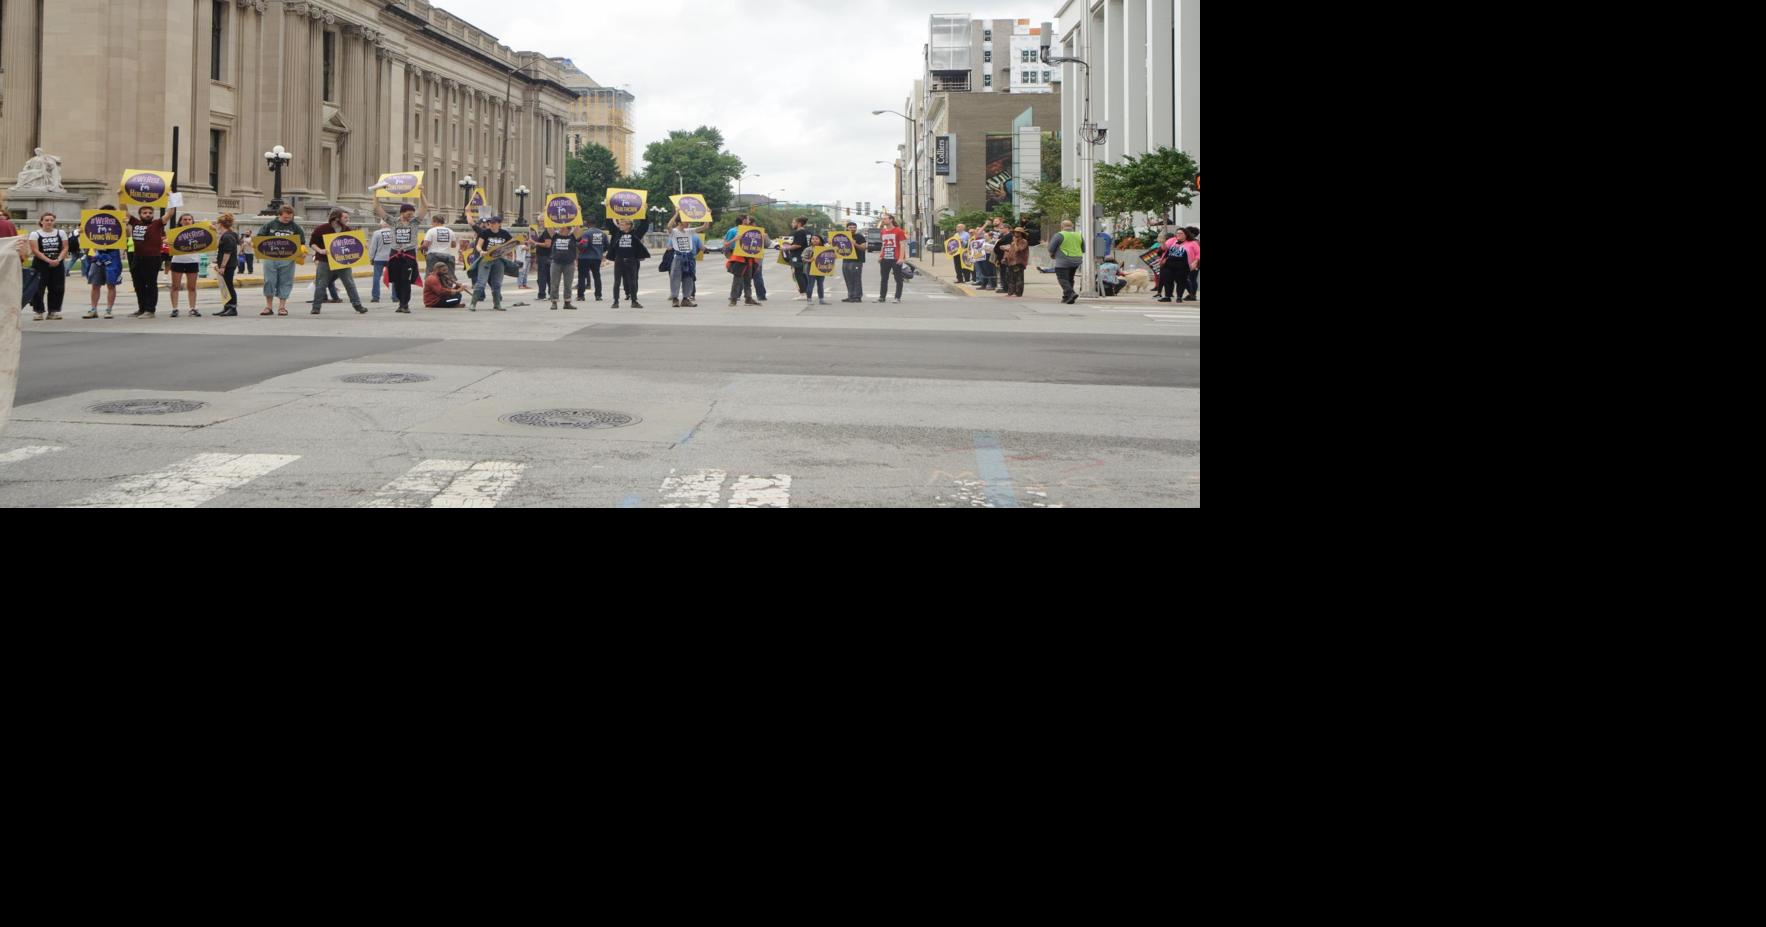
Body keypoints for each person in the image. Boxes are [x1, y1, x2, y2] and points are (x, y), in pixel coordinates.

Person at [371, 191, 428, 314]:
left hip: (409, 254)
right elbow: (377, 208)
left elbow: (425, 207)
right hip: (395, 254)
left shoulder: (415, 222)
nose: (410, 216)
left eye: (412, 214)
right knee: (396, 280)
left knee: (406, 280)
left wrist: (421, 192)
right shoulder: (393, 221)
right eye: (408, 214)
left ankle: (405, 304)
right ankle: (400, 303)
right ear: (402, 213)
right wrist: (376, 193)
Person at [308, 207, 367, 315]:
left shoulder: (347, 229)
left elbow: (353, 243)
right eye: (345, 217)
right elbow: (312, 243)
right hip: (325, 261)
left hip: (342, 262)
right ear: (336, 218)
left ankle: (358, 305)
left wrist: (363, 245)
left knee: (349, 283)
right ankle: (316, 307)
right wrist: (320, 250)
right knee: (321, 284)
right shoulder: (321, 228)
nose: (347, 219)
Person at [126, 203, 174, 317]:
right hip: (137, 258)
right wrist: (121, 197)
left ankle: (150, 310)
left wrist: (172, 198)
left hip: (152, 258)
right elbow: (124, 212)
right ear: (140, 214)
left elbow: (170, 213)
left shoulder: (157, 223)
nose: (147, 215)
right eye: (145, 213)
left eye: (150, 213)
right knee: (138, 285)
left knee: (151, 284)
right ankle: (141, 308)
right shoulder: (135, 222)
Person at [79, 205, 125, 319]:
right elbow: (86, 238)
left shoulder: (119, 225)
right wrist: (82, 232)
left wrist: (125, 223)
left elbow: (127, 234)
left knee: (111, 284)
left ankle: (109, 310)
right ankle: (93, 309)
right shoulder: (94, 224)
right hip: (98, 256)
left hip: (112, 257)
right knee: (95, 284)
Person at [255, 205, 302, 316]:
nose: (288, 219)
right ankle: (268, 307)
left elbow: (302, 242)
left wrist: (301, 253)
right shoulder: (270, 225)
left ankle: (282, 307)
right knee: (269, 281)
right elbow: (259, 238)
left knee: (286, 281)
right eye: (286, 217)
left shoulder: (295, 227)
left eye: (290, 217)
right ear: (280, 215)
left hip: (288, 259)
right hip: (270, 257)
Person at [27, 212, 72, 320]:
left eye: (51, 220)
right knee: (38, 288)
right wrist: (48, 260)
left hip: (57, 263)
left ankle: (54, 311)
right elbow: (35, 250)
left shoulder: (61, 233)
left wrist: (58, 259)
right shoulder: (35, 234)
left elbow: (65, 248)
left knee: (57, 288)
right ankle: (38, 311)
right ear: (41, 221)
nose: (49, 222)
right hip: (41, 263)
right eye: (46, 220)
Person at [470, 215, 514, 311]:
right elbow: (478, 245)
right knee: (481, 282)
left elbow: (511, 244)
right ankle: (473, 304)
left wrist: (508, 252)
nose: (491, 224)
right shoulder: (485, 233)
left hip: (499, 260)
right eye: (490, 223)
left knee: (497, 283)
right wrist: (481, 251)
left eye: (494, 223)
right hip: (486, 259)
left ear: (499, 224)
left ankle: (497, 304)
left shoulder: (504, 233)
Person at [724, 214, 768, 307]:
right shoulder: (732, 231)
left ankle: (748, 298)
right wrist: (735, 239)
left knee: (748, 279)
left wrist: (762, 238)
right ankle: (733, 299)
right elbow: (725, 244)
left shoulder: (752, 230)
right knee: (737, 280)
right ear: (743, 220)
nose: (749, 220)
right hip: (739, 258)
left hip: (750, 258)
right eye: (747, 219)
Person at [607, 217, 649, 309]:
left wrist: (643, 212)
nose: (620, 226)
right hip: (619, 260)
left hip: (631, 260)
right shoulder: (616, 233)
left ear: (628, 226)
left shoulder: (635, 234)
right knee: (617, 282)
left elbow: (644, 225)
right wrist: (608, 209)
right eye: (619, 224)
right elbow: (609, 223)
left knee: (632, 281)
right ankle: (615, 301)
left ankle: (634, 301)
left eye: (622, 224)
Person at [166, 213, 202, 316]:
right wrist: (168, 241)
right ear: (180, 221)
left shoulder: (198, 232)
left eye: (189, 219)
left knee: (192, 287)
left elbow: (208, 239)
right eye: (185, 219)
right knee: (175, 286)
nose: (187, 221)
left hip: (193, 261)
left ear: (192, 221)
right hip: (178, 261)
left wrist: (211, 228)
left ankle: (192, 308)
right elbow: (166, 241)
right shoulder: (175, 233)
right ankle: (175, 309)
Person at [665, 215, 703, 308]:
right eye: (686, 221)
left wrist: (707, 216)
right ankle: (675, 299)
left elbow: (704, 227)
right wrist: (676, 213)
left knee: (689, 278)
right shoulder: (674, 232)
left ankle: (686, 299)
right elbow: (669, 226)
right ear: (679, 223)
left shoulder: (689, 231)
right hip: (678, 257)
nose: (688, 223)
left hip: (689, 257)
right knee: (675, 278)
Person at [542, 223, 580, 310]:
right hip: (556, 262)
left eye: (563, 227)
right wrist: (547, 213)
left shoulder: (572, 237)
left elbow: (578, 226)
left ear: (568, 229)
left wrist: (578, 212)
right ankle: (554, 302)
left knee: (568, 284)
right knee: (554, 283)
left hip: (569, 263)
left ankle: (567, 302)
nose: (560, 228)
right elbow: (549, 227)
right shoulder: (555, 236)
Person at [1048, 219, 1085, 304]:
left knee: (1062, 278)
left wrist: (1053, 255)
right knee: (1070, 279)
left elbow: (1051, 248)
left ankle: (1071, 293)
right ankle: (1067, 298)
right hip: (1076, 260)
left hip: (1063, 261)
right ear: (1072, 226)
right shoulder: (1078, 235)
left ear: (1062, 227)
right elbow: (1083, 249)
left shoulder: (1059, 235)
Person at [213, 213, 241, 316]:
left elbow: (227, 253)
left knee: (229, 285)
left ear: (221, 224)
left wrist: (223, 266)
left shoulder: (228, 236)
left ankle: (233, 308)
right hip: (227, 264)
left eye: (217, 223)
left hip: (228, 265)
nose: (216, 225)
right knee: (224, 286)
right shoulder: (229, 234)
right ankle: (227, 306)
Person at [875, 216, 908, 303]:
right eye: (883, 219)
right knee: (884, 278)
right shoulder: (883, 231)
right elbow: (883, 245)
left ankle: (897, 297)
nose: (883, 220)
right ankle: (882, 297)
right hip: (885, 258)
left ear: (891, 220)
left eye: (885, 219)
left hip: (895, 258)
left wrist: (901, 258)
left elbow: (902, 245)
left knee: (898, 279)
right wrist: (880, 256)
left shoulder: (899, 231)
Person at [577, 223, 608, 302]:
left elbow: (584, 245)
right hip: (596, 258)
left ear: (588, 224)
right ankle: (598, 295)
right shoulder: (603, 233)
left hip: (584, 258)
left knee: (582, 277)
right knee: (597, 276)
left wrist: (577, 245)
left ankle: (581, 295)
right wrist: (600, 251)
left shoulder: (586, 233)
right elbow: (607, 246)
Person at [783, 216, 812, 300]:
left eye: (793, 222)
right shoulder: (808, 232)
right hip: (806, 256)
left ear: (798, 223)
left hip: (798, 256)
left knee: (798, 274)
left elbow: (797, 245)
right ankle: (807, 292)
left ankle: (803, 293)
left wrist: (785, 248)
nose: (792, 224)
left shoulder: (798, 232)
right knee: (804, 274)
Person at [1156, 228, 1188, 303]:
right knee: (1168, 281)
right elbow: (1164, 249)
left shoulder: (1190, 243)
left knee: (1181, 282)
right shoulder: (1172, 241)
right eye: (1177, 233)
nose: (1178, 235)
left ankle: (1179, 297)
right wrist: (1162, 242)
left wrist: (1195, 262)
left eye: (1181, 233)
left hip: (1182, 265)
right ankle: (1167, 296)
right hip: (1169, 264)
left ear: (1186, 234)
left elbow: (1196, 253)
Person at [367, 222, 394, 303]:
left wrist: (371, 257)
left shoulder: (377, 233)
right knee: (395, 278)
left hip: (379, 258)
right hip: (392, 257)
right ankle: (395, 296)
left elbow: (373, 247)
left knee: (376, 277)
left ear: (381, 224)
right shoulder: (394, 232)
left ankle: (375, 297)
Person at [841, 221, 866, 303]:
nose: (853, 229)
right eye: (850, 227)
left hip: (857, 260)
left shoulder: (859, 237)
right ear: (847, 228)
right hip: (846, 260)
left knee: (856, 278)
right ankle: (850, 295)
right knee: (848, 278)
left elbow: (863, 248)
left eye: (854, 227)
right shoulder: (843, 236)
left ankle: (857, 296)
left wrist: (855, 244)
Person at [803, 233, 828, 305]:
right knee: (810, 284)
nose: (814, 240)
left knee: (820, 284)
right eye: (813, 239)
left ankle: (821, 299)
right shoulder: (808, 249)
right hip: (810, 268)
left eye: (816, 239)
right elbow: (803, 259)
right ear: (811, 240)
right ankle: (809, 299)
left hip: (821, 268)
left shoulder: (824, 248)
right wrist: (809, 260)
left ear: (820, 240)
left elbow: (831, 255)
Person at [1003, 228, 1029, 297]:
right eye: (1015, 232)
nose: (1016, 234)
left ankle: (1018, 293)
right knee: (1010, 278)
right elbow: (1011, 251)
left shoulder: (1024, 241)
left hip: (1019, 262)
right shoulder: (1013, 242)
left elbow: (1018, 250)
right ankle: (1010, 292)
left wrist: (1015, 243)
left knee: (1019, 278)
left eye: (1018, 232)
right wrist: (1005, 257)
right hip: (1011, 262)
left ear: (1021, 234)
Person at [1181, 226, 1200, 302]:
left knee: (1192, 278)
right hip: (1189, 263)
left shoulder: (1195, 242)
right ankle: (1192, 294)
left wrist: (1195, 262)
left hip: (1195, 262)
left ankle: (1193, 295)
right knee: (1188, 278)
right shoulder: (1190, 241)